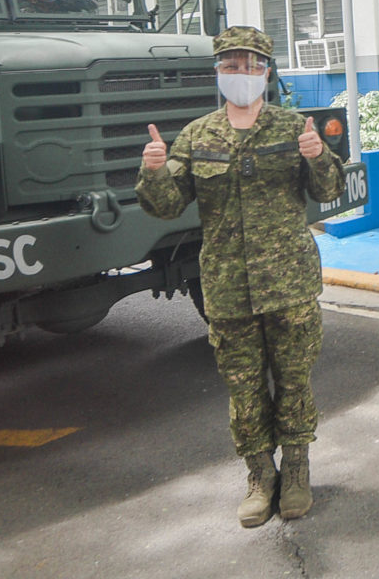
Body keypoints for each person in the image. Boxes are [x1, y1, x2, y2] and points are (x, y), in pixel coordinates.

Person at [137, 26, 345, 528]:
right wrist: (154, 171)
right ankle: (260, 476)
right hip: (228, 287)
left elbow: (330, 188)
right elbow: (165, 207)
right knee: (244, 386)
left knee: (294, 381)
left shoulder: (294, 126)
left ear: (267, 73)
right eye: (231, 65)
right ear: (219, 73)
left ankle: (296, 470)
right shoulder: (197, 135)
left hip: (289, 281)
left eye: (251, 65)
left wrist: (318, 157)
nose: (241, 74)